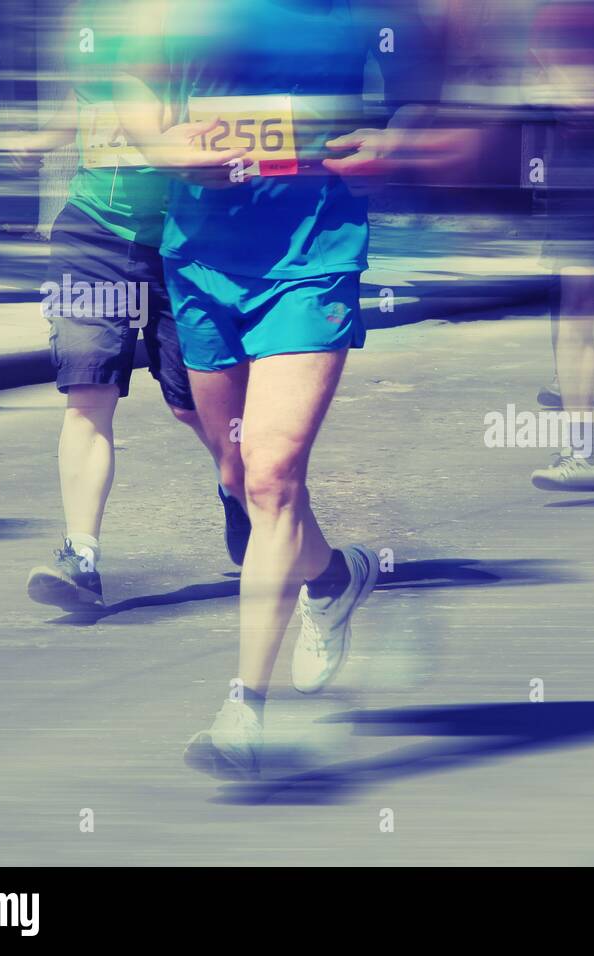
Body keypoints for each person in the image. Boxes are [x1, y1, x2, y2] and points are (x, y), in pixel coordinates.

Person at [116, 0, 443, 778]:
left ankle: (243, 711)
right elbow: (132, 76)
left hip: (312, 256)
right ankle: (333, 577)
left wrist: (396, 139)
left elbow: (431, 90)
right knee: (238, 474)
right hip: (200, 259)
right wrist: (163, 144)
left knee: (269, 474)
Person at [22, 1, 249, 611]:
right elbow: (85, 101)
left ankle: (244, 489)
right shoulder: (98, 23)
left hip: (191, 237)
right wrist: (38, 140)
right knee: (87, 395)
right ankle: (81, 555)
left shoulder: (214, 24)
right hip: (93, 236)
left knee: (193, 404)